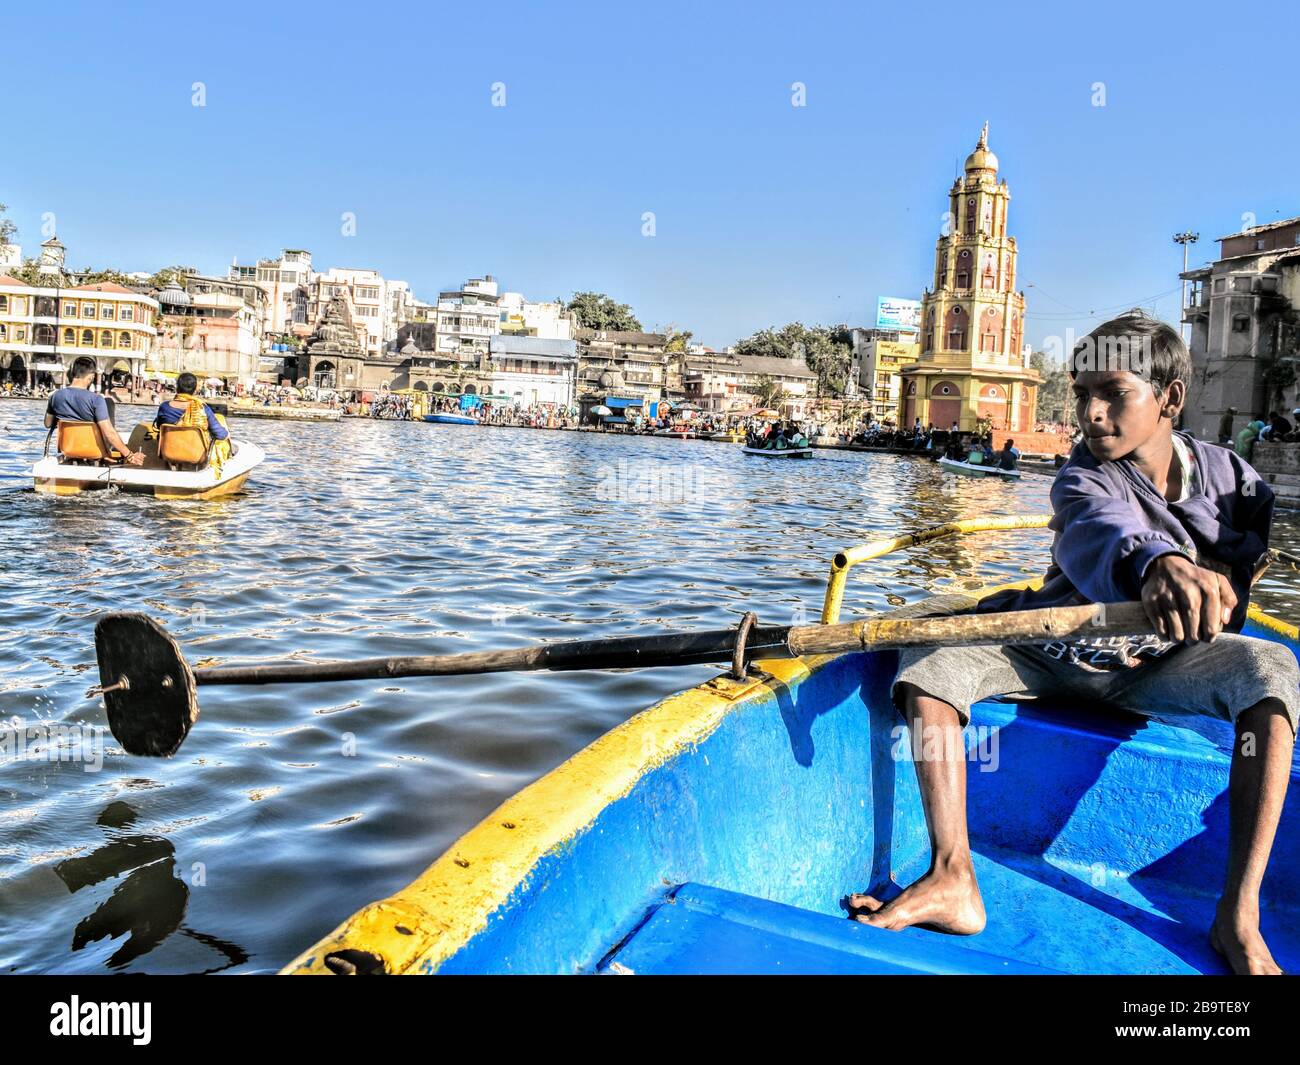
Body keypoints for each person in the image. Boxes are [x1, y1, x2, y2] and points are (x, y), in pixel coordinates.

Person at [851, 312, 1296, 975]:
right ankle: (952, 874)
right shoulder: (1083, 475)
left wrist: (1222, 589)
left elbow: (1238, 581)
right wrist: (1157, 564)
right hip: (1048, 649)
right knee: (932, 660)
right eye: (1082, 392)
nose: (1090, 412)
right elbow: (1100, 531)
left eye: (1112, 393)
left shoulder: (1238, 482)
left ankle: (1238, 912)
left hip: (1155, 670)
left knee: (1272, 667)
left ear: (1169, 399)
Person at [44, 356, 144, 465]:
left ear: (73, 373)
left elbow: (48, 423)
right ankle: (107, 457)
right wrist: (129, 455)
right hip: (93, 450)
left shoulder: (55, 396)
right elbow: (109, 433)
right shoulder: (96, 400)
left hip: (68, 449)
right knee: (109, 402)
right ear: (91, 377)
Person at [155, 371, 231, 467]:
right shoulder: (202, 408)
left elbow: (158, 426)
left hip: (169, 452)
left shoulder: (164, 407)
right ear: (195, 390)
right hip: (197, 455)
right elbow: (220, 434)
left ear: (177, 388)